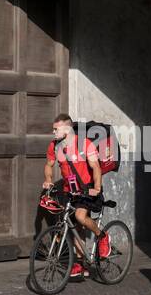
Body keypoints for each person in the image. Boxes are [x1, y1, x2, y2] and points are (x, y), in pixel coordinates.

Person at [41, 113, 111, 278]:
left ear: (66, 130)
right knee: (71, 226)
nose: (53, 132)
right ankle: (80, 264)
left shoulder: (84, 144)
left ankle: (102, 236)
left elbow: (95, 167)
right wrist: (48, 179)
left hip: (87, 189)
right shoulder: (54, 146)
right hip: (69, 190)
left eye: (55, 129)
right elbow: (49, 164)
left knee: (80, 217)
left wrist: (97, 188)